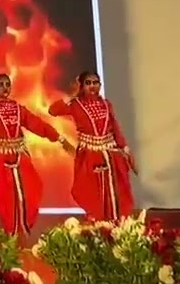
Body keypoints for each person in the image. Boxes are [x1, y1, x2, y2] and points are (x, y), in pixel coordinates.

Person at [0, 73, 75, 238]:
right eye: (0, 85)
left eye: (7, 84)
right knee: (5, 197)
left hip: (19, 155)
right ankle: (11, 234)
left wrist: (60, 139)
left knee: (29, 193)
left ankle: (23, 233)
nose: (5, 88)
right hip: (0, 157)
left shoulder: (18, 109)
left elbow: (37, 124)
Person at [48, 71, 136, 221]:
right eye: (88, 83)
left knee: (117, 192)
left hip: (110, 153)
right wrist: (73, 94)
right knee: (92, 193)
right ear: (81, 86)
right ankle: (98, 227)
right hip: (89, 156)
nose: (93, 86)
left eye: (96, 82)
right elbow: (53, 110)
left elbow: (114, 126)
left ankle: (116, 227)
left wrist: (125, 148)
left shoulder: (106, 104)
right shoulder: (76, 105)